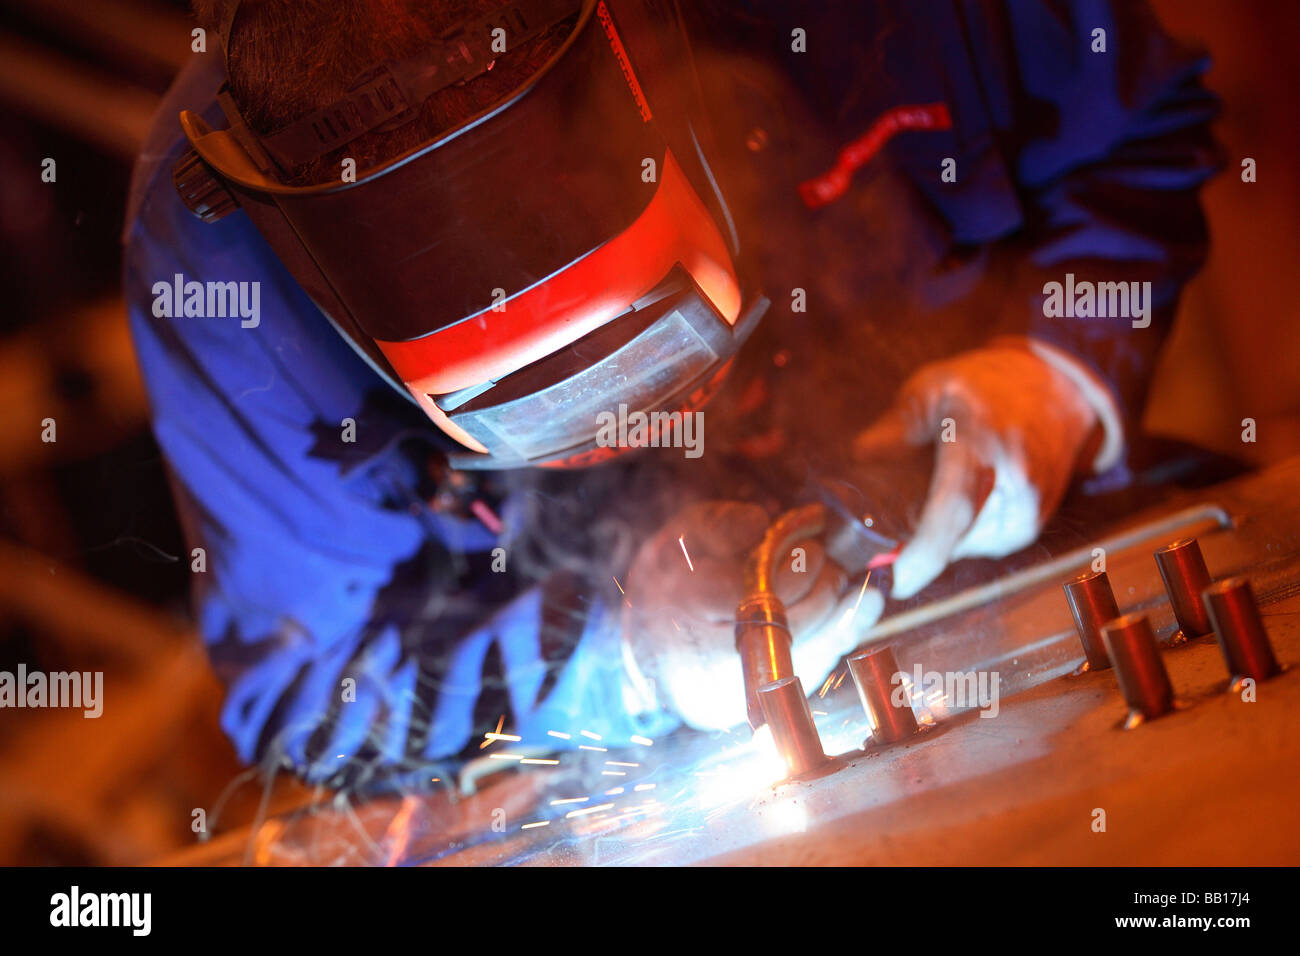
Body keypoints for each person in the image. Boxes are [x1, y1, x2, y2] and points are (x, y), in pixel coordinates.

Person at [123, 0, 1219, 788]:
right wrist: (618, 659)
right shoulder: (217, 249)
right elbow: (313, 684)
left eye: (646, 338)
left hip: (1051, 581)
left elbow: (1143, 127)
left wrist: (1056, 374)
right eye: (534, 412)